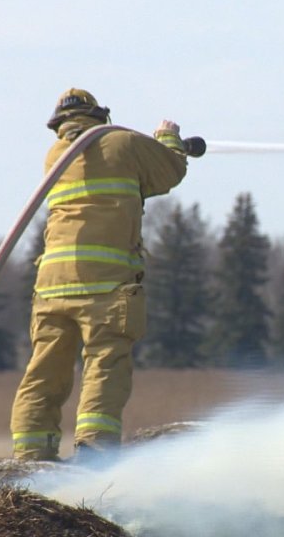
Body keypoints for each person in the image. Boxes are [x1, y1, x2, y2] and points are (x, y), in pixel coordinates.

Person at [10, 88, 189, 461]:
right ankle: (94, 451)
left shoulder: (55, 156)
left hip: (53, 287)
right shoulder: (122, 142)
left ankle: (30, 455)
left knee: (45, 369)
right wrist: (168, 138)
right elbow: (169, 171)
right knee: (106, 363)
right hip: (105, 284)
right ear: (99, 116)